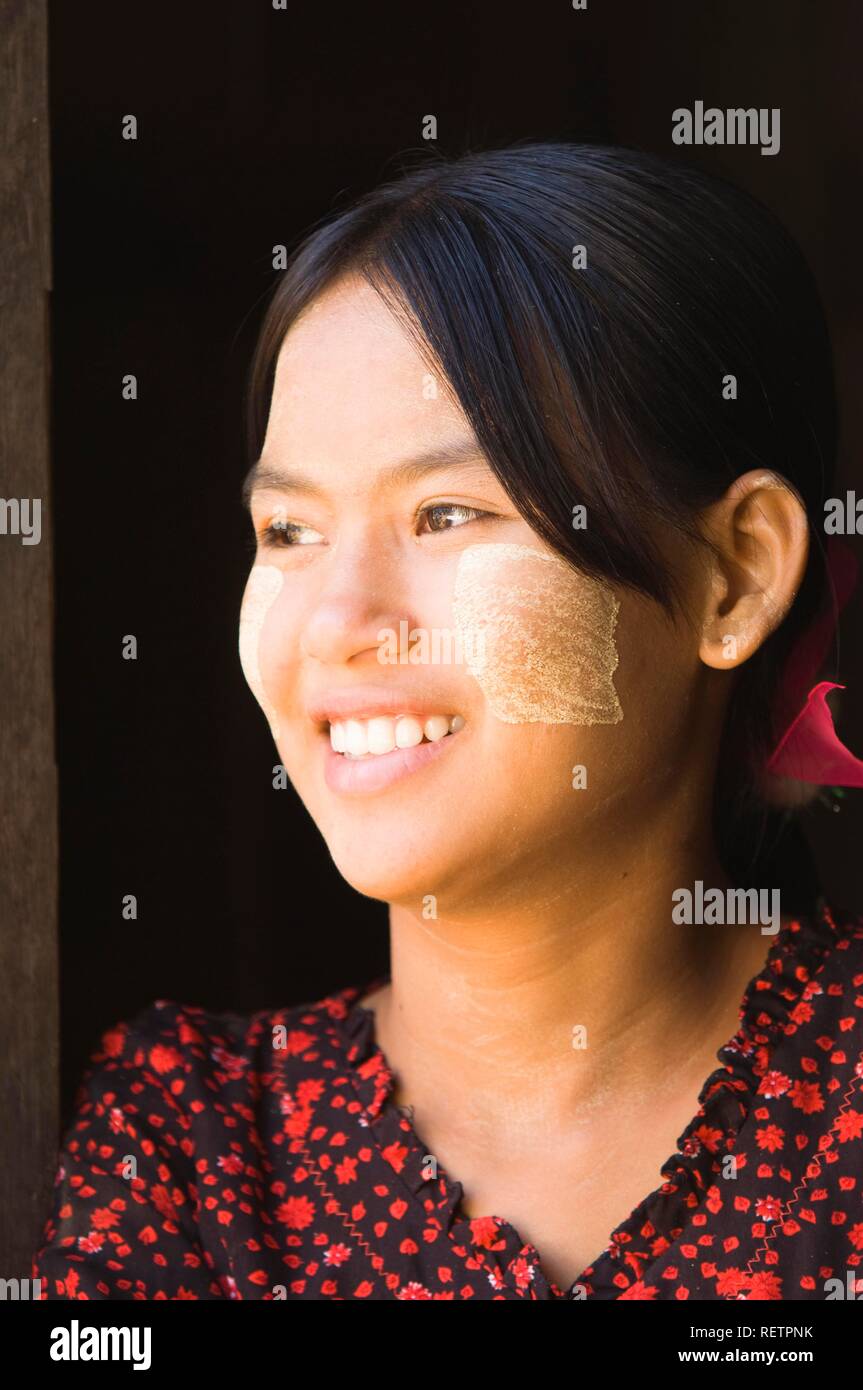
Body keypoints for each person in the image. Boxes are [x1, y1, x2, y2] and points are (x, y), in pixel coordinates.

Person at [33, 141, 863, 1300]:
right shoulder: (194, 1143)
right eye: (286, 533)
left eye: (445, 512)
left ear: (730, 577)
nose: (335, 621)